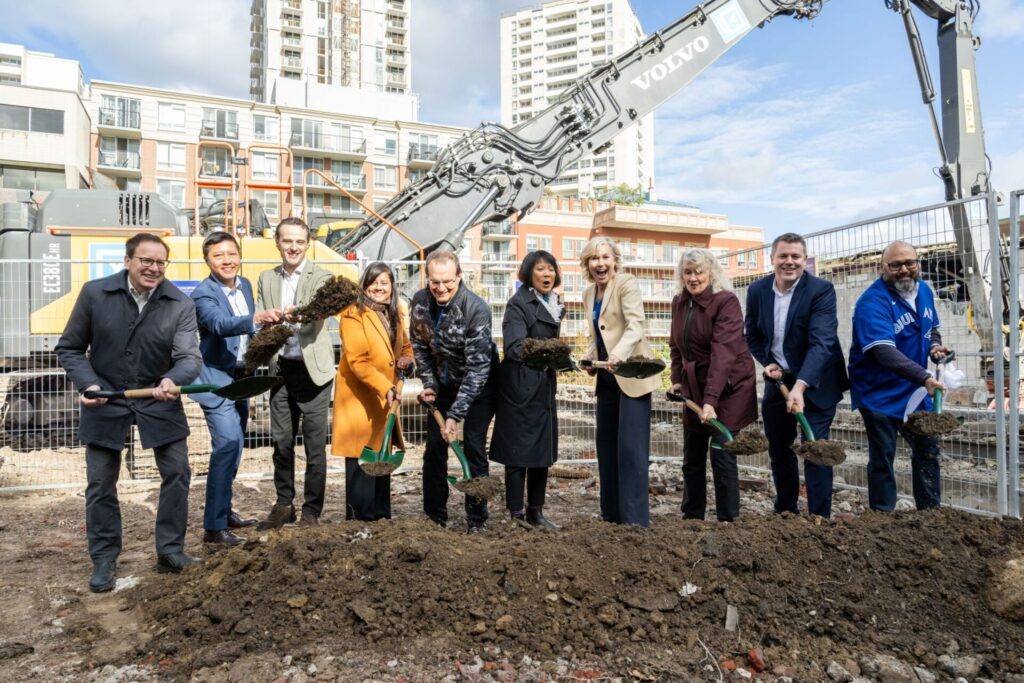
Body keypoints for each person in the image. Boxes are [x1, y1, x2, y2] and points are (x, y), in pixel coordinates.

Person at [56, 233, 203, 592]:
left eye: (160, 262)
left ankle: (170, 551)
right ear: (127, 261)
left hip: (157, 396)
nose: (153, 268)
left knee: (178, 472)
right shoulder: (95, 294)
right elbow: (70, 348)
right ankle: (104, 558)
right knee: (101, 482)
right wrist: (88, 384)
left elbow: (190, 358)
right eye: (145, 260)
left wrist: (173, 378)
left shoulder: (179, 304)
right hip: (106, 396)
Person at [744, 233, 849, 518]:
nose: (789, 262)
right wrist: (767, 362)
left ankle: (819, 517)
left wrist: (800, 386)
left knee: (816, 449)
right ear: (772, 259)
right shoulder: (757, 291)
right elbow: (752, 334)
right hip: (778, 380)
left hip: (816, 381)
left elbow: (822, 342)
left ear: (804, 260)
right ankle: (786, 510)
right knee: (779, 448)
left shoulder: (821, 291)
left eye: (795, 257)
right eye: (783, 256)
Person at [191, 232, 283, 547]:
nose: (227, 260)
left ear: (239, 256)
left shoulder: (244, 285)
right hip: (215, 379)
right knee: (227, 444)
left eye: (231, 254)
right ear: (208, 261)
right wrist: (254, 319)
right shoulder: (203, 294)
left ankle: (224, 510)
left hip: (241, 376)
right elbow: (218, 325)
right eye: (219, 256)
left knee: (237, 446)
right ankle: (214, 529)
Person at [849, 240, 951, 511]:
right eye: (895, 265)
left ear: (917, 263)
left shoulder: (924, 291)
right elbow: (883, 351)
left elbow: (933, 329)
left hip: (915, 391)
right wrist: (925, 377)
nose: (903, 269)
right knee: (883, 458)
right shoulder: (872, 302)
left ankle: (930, 514)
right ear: (883, 267)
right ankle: (882, 518)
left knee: (927, 451)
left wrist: (934, 347)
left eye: (909, 263)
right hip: (879, 394)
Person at [409, 250, 498, 533]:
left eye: (447, 281)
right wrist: (429, 385)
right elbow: (420, 347)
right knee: (435, 449)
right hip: (443, 385)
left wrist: (455, 415)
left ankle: (477, 518)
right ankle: (434, 517)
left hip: (479, 386)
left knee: (472, 446)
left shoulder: (476, 309)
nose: (441, 288)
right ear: (427, 278)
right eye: (435, 281)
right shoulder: (420, 302)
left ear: (459, 276)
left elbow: (478, 369)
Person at [255, 217, 336, 529]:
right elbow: (263, 320)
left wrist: (290, 314)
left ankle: (311, 510)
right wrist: (265, 319)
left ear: (308, 243)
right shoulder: (266, 277)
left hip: (313, 372)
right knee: (282, 441)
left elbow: (316, 315)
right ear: (277, 242)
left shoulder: (322, 276)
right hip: (281, 370)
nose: (293, 247)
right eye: (287, 241)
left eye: (299, 242)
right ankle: (284, 503)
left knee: (315, 446)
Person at [669, 248, 757, 522]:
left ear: (711, 273)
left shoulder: (726, 302)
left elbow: (723, 354)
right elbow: (676, 346)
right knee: (692, 455)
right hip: (696, 386)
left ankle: (728, 520)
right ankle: (692, 517)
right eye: (688, 272)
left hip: (729, 387)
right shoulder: (679, 302)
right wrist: (675, 379)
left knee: (721, 453)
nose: (693, 278)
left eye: (699, 272)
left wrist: (710, 401)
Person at [580, 236, 660, 527]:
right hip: (607, 378)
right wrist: (591, 358)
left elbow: (635, 324)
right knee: (607, 447)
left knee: (631, 451)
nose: (600, 264)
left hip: (631, 374)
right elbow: (595, 334)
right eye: (594, 259)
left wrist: (617, 354)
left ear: (614, 260)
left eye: (605, 257)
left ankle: (635, 521)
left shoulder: (626, 283)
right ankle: (611, 515)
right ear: (587, 263)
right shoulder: (589, 293)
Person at [330, 262, 414, 521]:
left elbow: (406, 347)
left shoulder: (395, 312)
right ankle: (359, 521)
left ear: (391, 286)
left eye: (384, 283)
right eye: (373, 282)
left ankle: (381, 519)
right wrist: (385, 386)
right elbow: (358, 360)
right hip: (360, 401)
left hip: (384, 402)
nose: (378, 287)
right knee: (360, 463)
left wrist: (407, 361)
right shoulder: (353, 313)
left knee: (381, 463)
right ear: (364, 285)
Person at [490, 250, 563, 529]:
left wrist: (560, 359)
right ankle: (516, 514)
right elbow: (514, 347)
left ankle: (536, 511)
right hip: (520, 387)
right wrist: (552, 352)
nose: (547, 274)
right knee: (518, 453)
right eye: (541, 269)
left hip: (543, 386)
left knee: (541, 452)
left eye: (551, 269)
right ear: (528, 273)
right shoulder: (518, 304)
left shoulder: (553, 303)